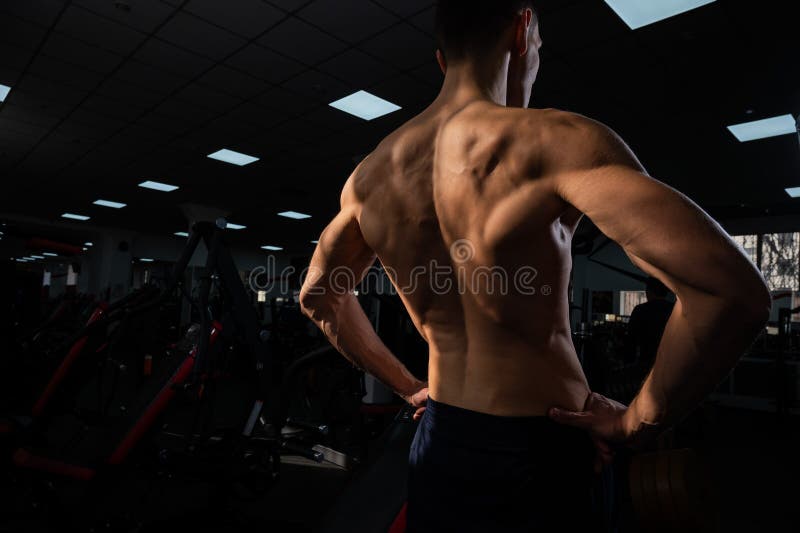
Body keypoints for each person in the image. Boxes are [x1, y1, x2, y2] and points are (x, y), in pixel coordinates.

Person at [299, 1, 771, 530]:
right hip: (541, 447)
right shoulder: (555, 143)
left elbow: (319, 297)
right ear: (523, 30)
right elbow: (729, 292)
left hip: (441, 441)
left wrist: (408, 386)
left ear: (441, 60)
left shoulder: (369, 180)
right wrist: (636, 421)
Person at [627, 277, 675, 368]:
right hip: (669, 362)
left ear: (649, 291)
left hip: (646, 361)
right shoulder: (673, 309)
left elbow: (631, 338)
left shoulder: (640, 310)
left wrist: (630, 360)